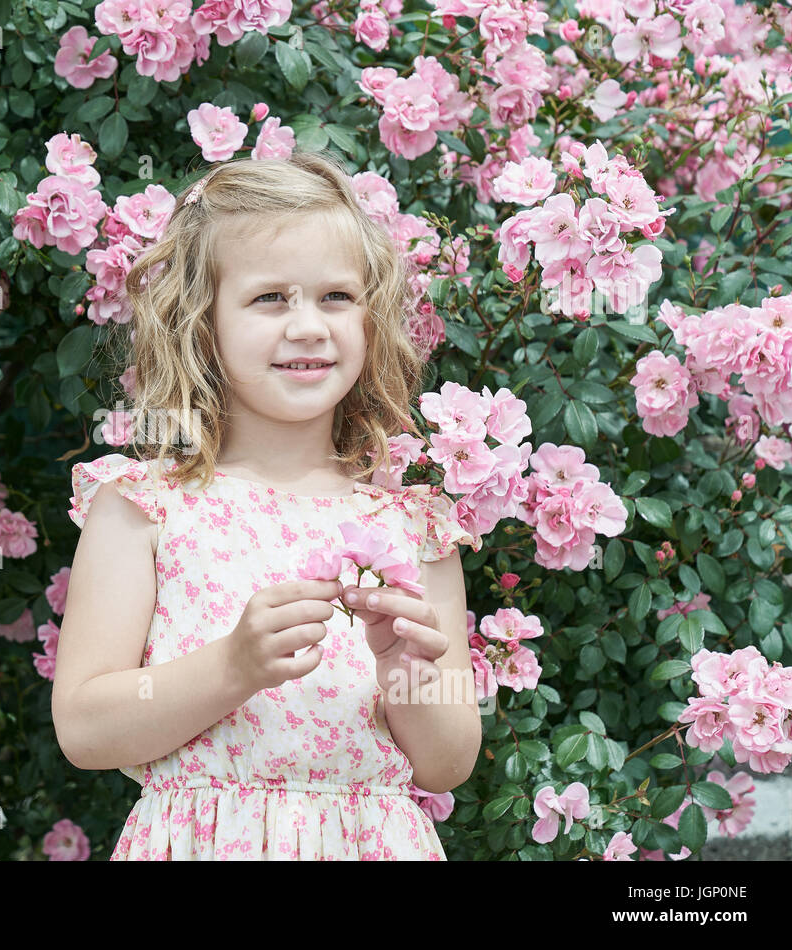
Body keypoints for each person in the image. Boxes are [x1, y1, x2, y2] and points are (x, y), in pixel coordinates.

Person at [53, 149, 482, 860]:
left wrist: (407, 669)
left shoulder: (412, 529)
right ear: (203, 324)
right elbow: (85, 728)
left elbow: (447, 764)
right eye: (270, 298)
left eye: (336, 297)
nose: (309, 325)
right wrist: (234, 668)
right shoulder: (146, 509)